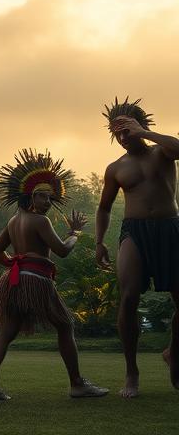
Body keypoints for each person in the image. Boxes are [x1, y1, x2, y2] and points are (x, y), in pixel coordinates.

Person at [0, 148, 107, 401]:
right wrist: (74, 234)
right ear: (29, 196)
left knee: (7, 332)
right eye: (43, 197)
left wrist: (16, 263)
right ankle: (77, 384)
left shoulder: (13, 221)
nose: (47, 202)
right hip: (36, 280)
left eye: (50, 198)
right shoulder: (40, 222)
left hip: (15, 280)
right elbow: (62, 251)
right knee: (65, 325)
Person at [96, 97, 179, 396]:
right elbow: (104, 208)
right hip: (134, 231)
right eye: (117, 133)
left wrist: (143, 132)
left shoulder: (162, 152)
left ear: (140, 126)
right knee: (129, 296)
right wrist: (99, 242)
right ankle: (132, 373)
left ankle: (173, 352)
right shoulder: (116, 168)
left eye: (127, 130)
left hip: (170, 228)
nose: (122, 138)